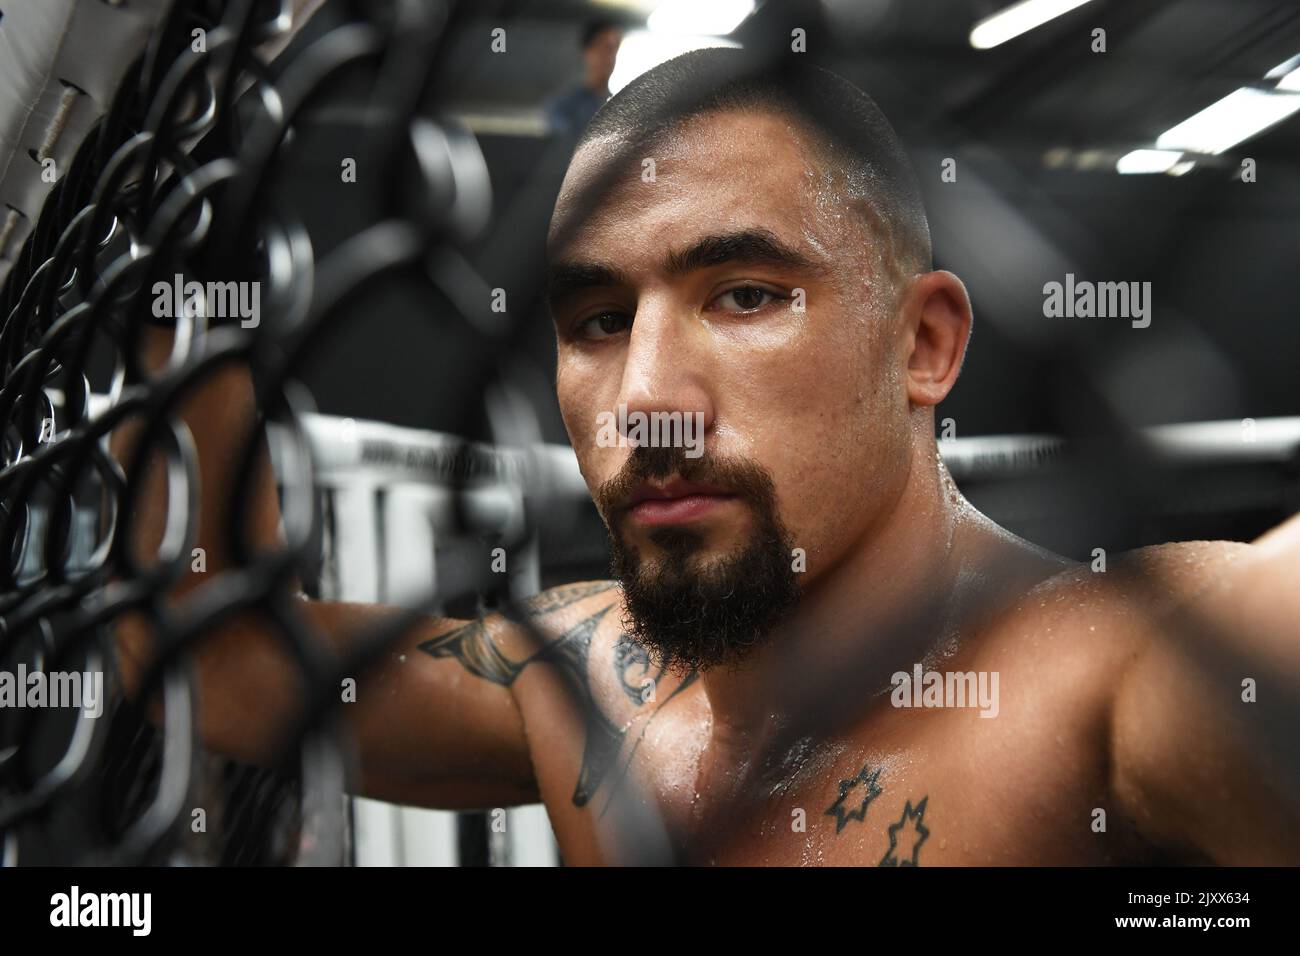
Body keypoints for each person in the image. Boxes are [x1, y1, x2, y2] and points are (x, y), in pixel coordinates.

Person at [114, 48, 1300, 865]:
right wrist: (185, 228)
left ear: (922, 343)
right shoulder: (574, 668)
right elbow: (216, 652)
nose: (647, 402)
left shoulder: (1119, 667)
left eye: (742, 293)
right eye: (596, 320)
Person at [543, 19, 622, 138]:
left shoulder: (620, 106)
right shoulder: (563, 106)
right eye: (601, 47)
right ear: (587, 51)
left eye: (612, 48)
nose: (607, 56)